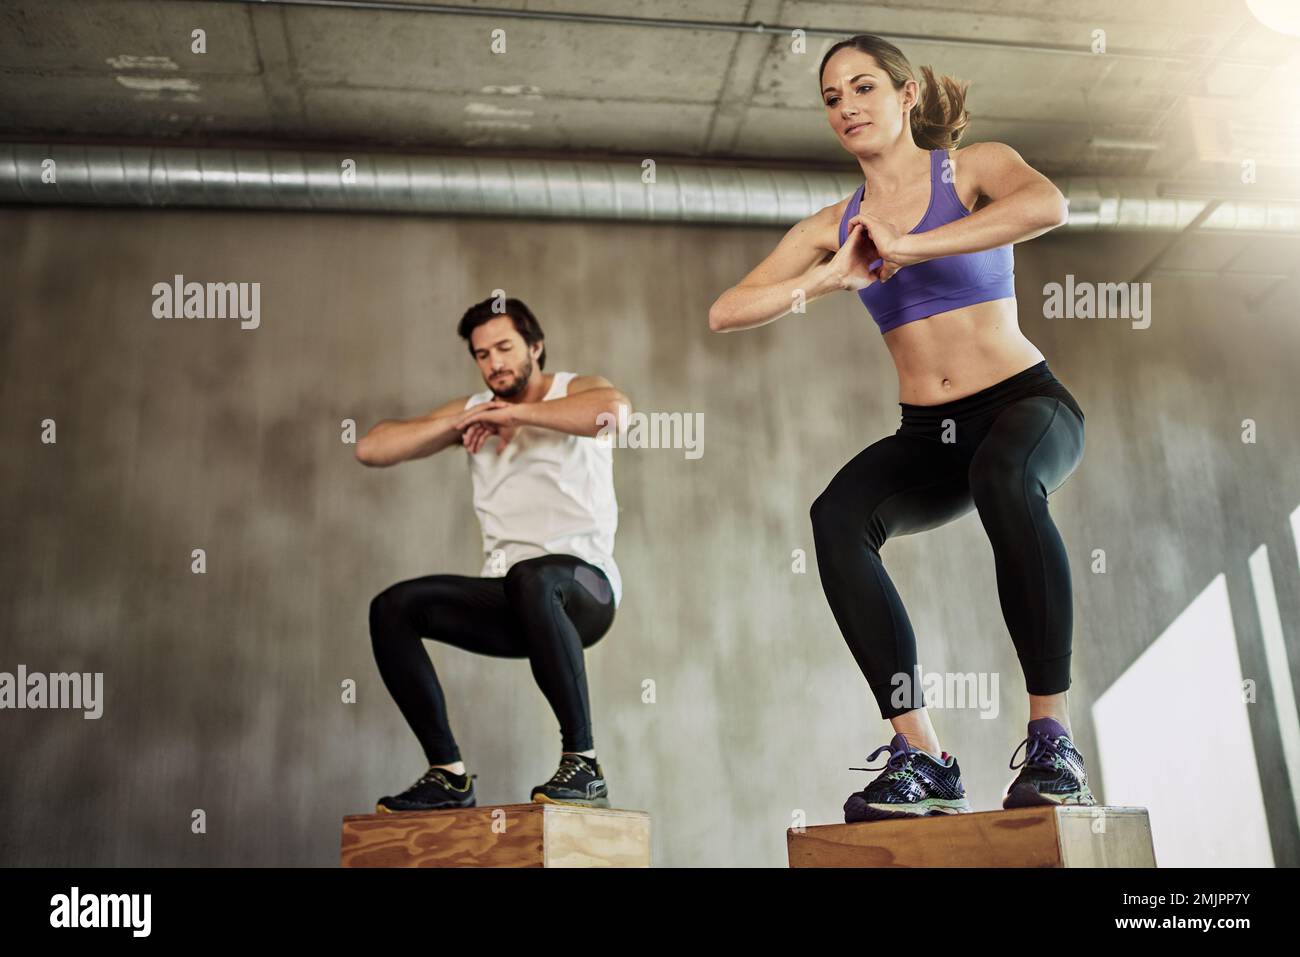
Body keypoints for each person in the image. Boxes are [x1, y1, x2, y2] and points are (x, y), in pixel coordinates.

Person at [709, 34, 1095, 822]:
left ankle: (1052, 737)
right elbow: (726, 311)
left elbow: (1047, 204)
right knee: (837, 517)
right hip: (931, 434)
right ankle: (922, 751)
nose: (846, 106)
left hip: (1026, 403)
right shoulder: (834, 223)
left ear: (906, 92)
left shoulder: (973, 167)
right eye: (831, 98)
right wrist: (828, 278)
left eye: (862, 88)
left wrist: (912, 246)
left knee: (1005, 477)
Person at [357, 296, 629, 811]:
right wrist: (460, 422)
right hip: (514, 599)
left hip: (587, 591)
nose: (495, 363)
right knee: (392, 606)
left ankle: (584, 763)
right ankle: (449, 775)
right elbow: (369, 448)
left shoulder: (577, 389)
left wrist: (518, 415)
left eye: (505, 347)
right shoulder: (474, 411)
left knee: (534, 577)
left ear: (536, 346)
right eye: (482, 355)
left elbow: (613, 412)